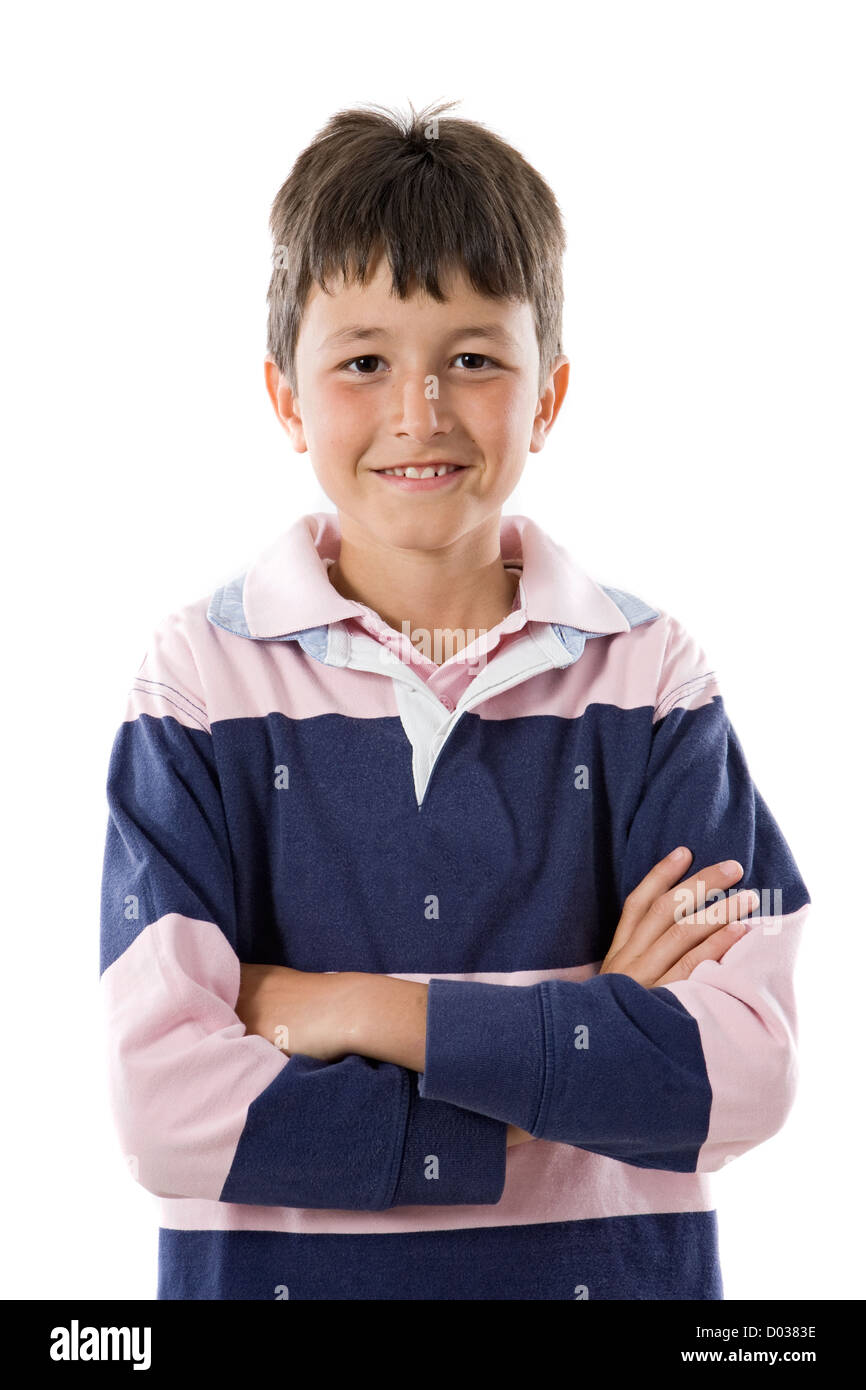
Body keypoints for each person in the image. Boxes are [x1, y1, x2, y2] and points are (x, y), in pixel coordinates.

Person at [99, 98, 810, 1300]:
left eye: (473, 359)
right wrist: (582, 1036)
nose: (417, 414)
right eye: (363, 360)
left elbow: (738, 1078)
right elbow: (165, 1112)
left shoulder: (649, 678)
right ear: (285, 394)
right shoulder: (197, 683)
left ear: (548, 392)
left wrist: (341, 1007)